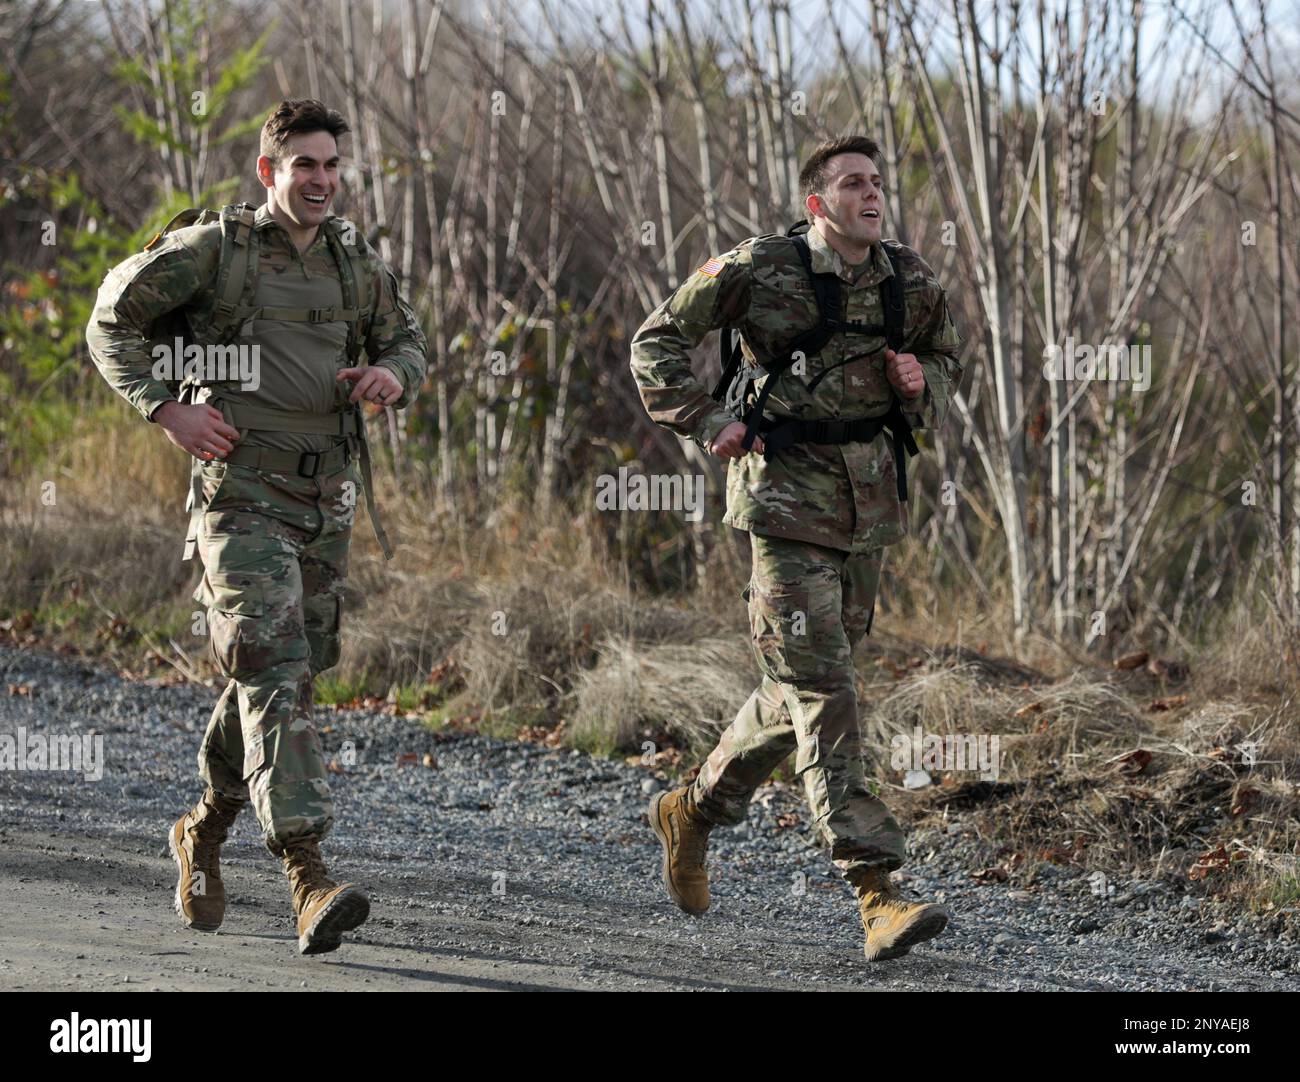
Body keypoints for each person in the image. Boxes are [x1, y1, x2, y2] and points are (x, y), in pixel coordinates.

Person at [86, 99, 427, 955]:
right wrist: (166, 410)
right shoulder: (218, 253)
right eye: (303, 165)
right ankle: (306, 873)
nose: (320, 180)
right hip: (239, 495)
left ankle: (203, 828)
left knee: (285, 671)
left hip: (325, 503)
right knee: (275, 666)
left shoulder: (356, 263)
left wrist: (390, 375)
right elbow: (109, 321)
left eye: (331, 166)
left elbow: (411, 342)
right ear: (269, 172)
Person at [629, 134, 963, 961]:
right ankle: (874, 888)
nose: (872, 195)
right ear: (819, 203)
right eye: (853, 184)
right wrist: (711, 420)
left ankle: (692, 811)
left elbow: (946, 360)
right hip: (781, 504)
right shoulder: (759, 268)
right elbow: (655, 344)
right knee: (827, 691)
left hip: (868, 512)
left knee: (795, 690)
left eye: (878, 183)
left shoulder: (909, 278)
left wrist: (926, 383)